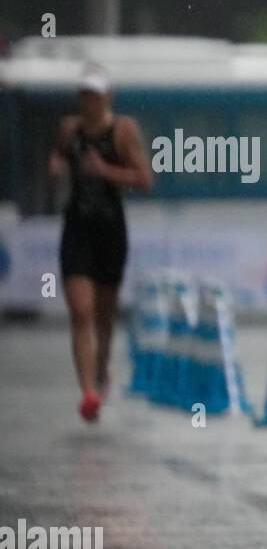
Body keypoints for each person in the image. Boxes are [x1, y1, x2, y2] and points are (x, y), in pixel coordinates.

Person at [47, 63, 153, 421]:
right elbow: (60, 154)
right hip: (77, 228)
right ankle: (88, 393)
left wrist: (105, 171)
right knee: (80, 313)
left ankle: (102, 368)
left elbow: (144, 178)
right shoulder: (69, 129)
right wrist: (57, 166)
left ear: (107, 97)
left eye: (94, 95)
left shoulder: (122, 131)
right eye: (83, 95)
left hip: (110, 230)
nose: (88, 102)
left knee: (104, 314)